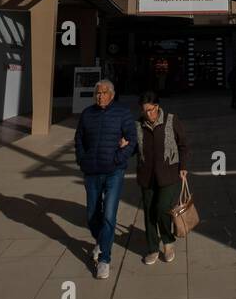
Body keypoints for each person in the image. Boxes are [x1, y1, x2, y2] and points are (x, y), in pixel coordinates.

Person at [74, 78, 137, 280]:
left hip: (113, 172)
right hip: (91, 172)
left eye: (103, 93)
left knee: (109, 215)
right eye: (97, 93)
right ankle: (101, 241)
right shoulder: (87, 114)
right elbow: (79, 139)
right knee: (92, 216)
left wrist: (118, 159)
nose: (100, 96)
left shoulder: (123, 113)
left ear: (112, 94)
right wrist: (82, 160)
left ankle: (104, 259)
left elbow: (132, 140)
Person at [132, 91, 189, 264]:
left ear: (157, 106)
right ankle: (152, 248)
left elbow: (183, 145)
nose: (148, 114)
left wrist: (183, 167)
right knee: (149, 211)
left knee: (163, 207)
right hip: (146, 175)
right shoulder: (138, 125)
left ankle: (168, 241)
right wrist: (124, 144)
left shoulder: (171, 120)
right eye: (144, 111)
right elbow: (135, 148)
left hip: (168, 174)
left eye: (150, 110)